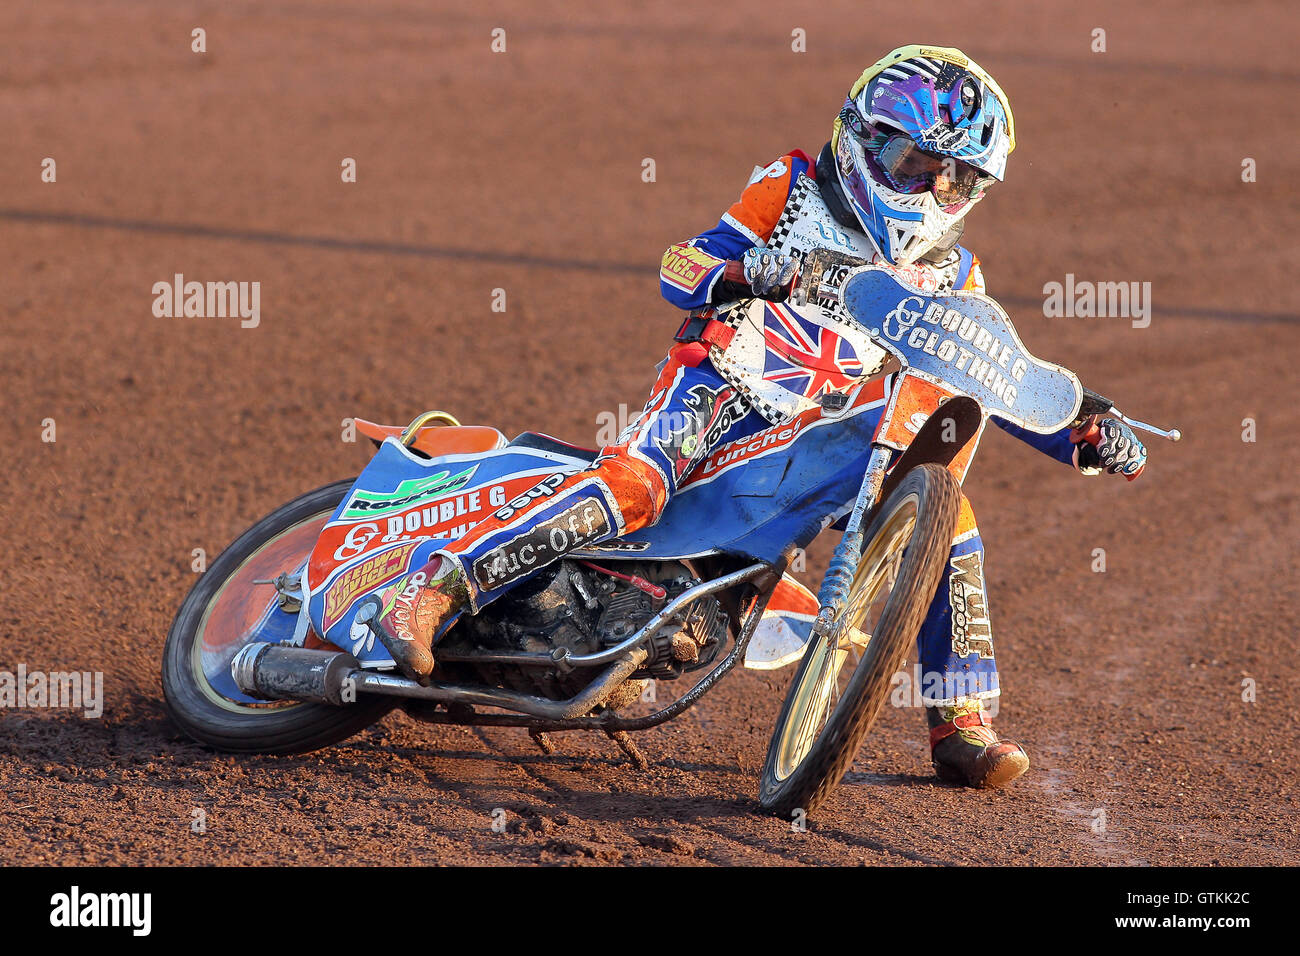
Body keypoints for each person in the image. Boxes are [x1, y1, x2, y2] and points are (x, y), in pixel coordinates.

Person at [373, 45, 1147, 788]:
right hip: (719, 389)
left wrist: (1082, 429)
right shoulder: (794, 187)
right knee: (633, 489)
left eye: (956, 179)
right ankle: (434, 588)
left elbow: (988, 377)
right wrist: (746, 271)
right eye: (915, 163)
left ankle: (960, 724)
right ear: (864, 140)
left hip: (822, 429)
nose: (932, 188)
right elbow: (679, 263)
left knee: (953, 515)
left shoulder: (956, 273)